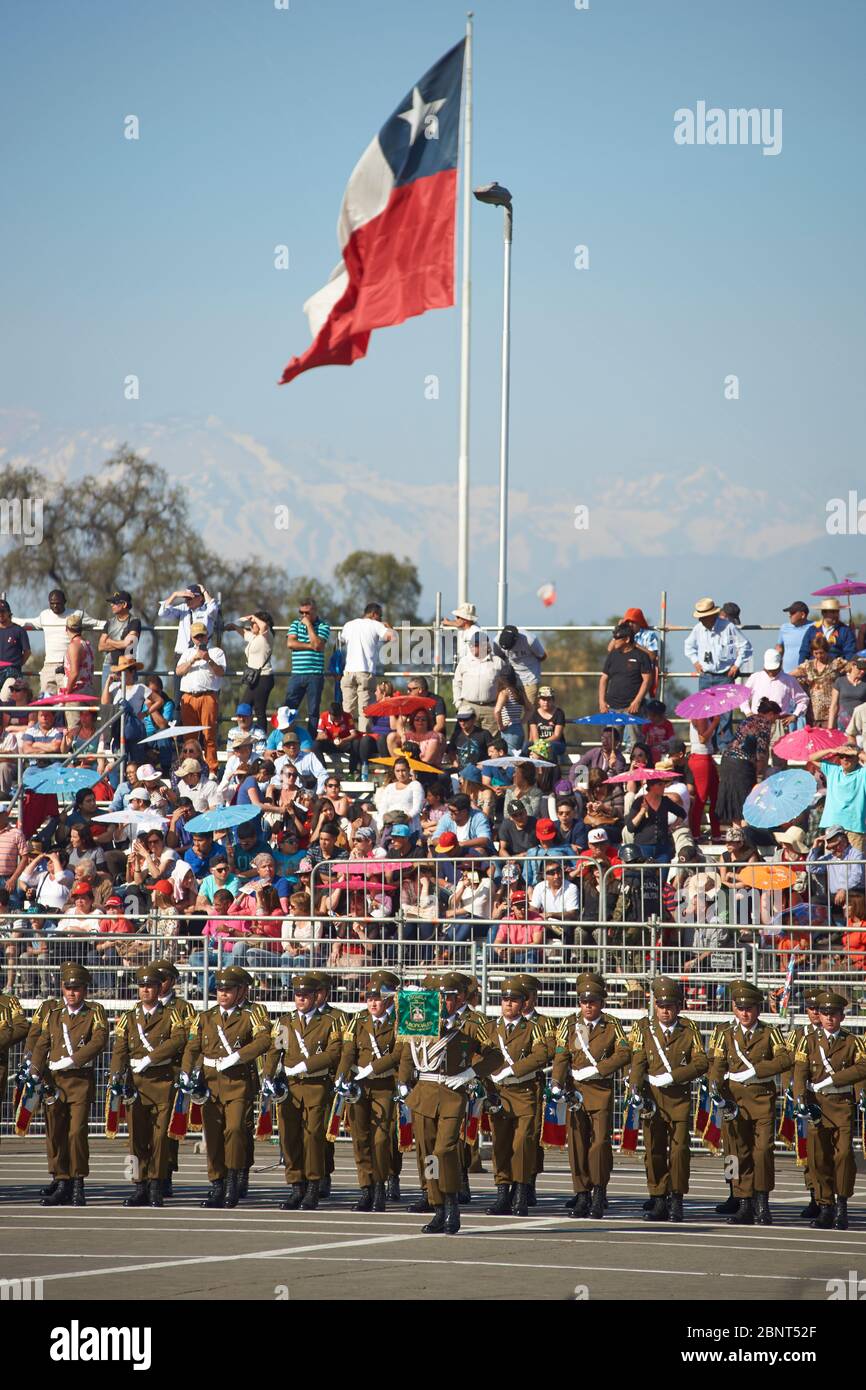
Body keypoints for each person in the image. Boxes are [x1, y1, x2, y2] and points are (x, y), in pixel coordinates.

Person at [397, 971, 499, 1234]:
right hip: (424, 1092)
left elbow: (494, 1056)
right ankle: (437, 1206)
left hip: (453, 1094)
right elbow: (409, 1052)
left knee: (445, 1151)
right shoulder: (421, 1018)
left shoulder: (471, 1023)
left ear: (461, 997)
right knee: (428, 1154)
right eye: (441, 997)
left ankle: (452, 1203)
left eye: (451, 997)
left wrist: (471, 1073)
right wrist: (403, 1081)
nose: (446, 1002)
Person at [180, 964, 271, 1208]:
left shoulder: (252, 1014)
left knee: (234, 1131)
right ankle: (216, 1184)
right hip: (210, 1084)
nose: (223, 994)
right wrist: (186, 1073)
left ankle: (233, 1180)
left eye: (228, 990)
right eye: (219, 989)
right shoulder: (206, 1017)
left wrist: (238, 1056)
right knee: (213, 1135)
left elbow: (264, 1040)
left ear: (240, 991)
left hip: (238, 1083)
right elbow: (192, 1047)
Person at [708, 980, 792, 1226]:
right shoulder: (725, 1033)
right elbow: (717, 1064)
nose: (745, 1013)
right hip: (734, 1101)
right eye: (740, 1008)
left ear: (758, 1010)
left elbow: (785, 1059)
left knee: (763, 1151)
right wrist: (715, 1088)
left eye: (750, 1008)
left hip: (761, 1100)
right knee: (735, 1153)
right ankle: (740, 1199)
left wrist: (756, 1070)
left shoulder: (769, 1032)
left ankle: (762, 1201)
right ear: (734, 1008)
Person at [627, 975, 708, 1222]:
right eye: (661, 1006)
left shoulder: (688, 1029)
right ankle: (658, 1198)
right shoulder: (643, 1028)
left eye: (669, 1007)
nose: (664, 1011)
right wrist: (634, 1087)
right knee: (653, 1151)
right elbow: (638, 1061)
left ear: (678, 1007)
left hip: (678, 1100)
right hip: (652, 1100)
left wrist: (674, 1076)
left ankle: (677, 1199)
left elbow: (702, 1062)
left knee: (680, 1151)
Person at [551, 972, 631, 1219]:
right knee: (577, 1143)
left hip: (600, 1090)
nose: (588, 1006)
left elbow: (624, 1053)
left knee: (599, 1144)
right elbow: (562, 1055)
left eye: (593, 1002)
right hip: (576, 1091)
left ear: (601, 1003)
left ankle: (598, 1191)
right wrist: (556, 1082)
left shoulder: (612, 1025)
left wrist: (598, 1068)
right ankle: (582, 1193)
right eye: (584, 1002)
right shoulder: (568, 1025)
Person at [29, 961, 109, 1207]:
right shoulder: (54, 1015)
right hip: (54, 1082)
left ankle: (77, 1183)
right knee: (55, 1133)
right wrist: (34, 1069)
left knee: (76, 1133)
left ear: (85, 990)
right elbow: (42, 1043)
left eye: (77, 988)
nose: (72, 993)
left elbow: (99, 1041)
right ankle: (61, 1180)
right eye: (68, 988)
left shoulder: (94, 1012)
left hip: (79, 1081)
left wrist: (73, 1060)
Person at [108, 963, 188, 1208]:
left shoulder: (171, 1013)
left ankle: (156, 1185)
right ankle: (139, 1185)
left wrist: (150, 1059)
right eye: (142, 986)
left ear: (158, 988)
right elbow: (120, 1049)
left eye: (150, 986)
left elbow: (179, 1039)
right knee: (136, 1138)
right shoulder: (130, 1017)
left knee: (160, 1137)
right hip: (136, 1084)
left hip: (162, 1081)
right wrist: (115, 1076)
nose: (145, 991)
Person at [263, 972, 344, 1211]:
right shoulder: (286, 1023)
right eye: (297, 995)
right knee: (290, 1137)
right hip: (290, 1088)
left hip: (316, 1086)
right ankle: (295, 1185)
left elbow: (333, 1053)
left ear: (314, 996)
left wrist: (305, 1065)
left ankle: (312, 1186)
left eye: (305, 996)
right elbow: (275, 1052)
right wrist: (268, 1076)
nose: (301, 1000)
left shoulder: (328, 1022)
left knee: (313, 1138)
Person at [793, 989, 866, 1229]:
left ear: (842, 1016)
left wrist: (836, 1080)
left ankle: (842, 1203)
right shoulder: (809, 1041)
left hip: (842, 1104)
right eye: (824, 1013)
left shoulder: (852, 1041)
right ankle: (825, 1206)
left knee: (844, 1155)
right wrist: (800, 1100)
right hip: (817, 1106)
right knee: (819, 1158)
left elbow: (862, 1067)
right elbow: (800, 1073)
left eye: (833, 1014)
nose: (829, 1018)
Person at [483, 976, 553, 1217]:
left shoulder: (533, 1029)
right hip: (499, 1093)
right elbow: (475, 1054)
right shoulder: (490, 1029)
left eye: (514, 1000)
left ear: (523, 1003)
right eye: (505, 1000)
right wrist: (488, 1075)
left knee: (523, 1144)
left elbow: (542, 1054)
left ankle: (521, 1192)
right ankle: (502, 1192)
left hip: (523, 1092)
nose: (509, 1004)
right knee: (500, 1144)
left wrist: (513, 1069)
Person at [339, 970, 401, 1211]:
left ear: (387, 1000)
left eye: (377, 998)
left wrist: (374, 1067)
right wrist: (341, 1079)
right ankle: (365, 1188)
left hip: (384, 1085)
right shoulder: (357, 1021)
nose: (372, 1003)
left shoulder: (397, 1023)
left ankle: (379, 1187)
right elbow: (348, 1053)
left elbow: (397, 1054)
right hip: (359, 1088)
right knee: (360, 1138)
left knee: (381, 1139)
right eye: (369, 998)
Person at [684, 597, 752, 750]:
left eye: (703, 617)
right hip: (706, 675)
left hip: (724, 675)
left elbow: (745, 646)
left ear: (711, 615)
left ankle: (723, 746)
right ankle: (710, 744)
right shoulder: (698, 629)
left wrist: (737, 664)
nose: (701, 620)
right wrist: (695, 661)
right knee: (706, 712)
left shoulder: (728, 627)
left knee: (724, 713)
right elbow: (688, 646)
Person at [14, 589, 103, 693]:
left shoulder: (76, 615)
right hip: (48, 666)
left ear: (65, 601)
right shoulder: (44, 616)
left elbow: (97, 624)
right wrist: (9, 619)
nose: (55, 606)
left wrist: (116, 625)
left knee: (65, 700)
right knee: (45, 702)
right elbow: (26, 623)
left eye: (58, 603)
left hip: (66, 666)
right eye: (52, 603)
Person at [715, 698, 780, 827]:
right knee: (746, 802)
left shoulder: (748, 719)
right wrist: (759, 772)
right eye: (776, 717)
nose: (774, 721)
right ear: (771, 714)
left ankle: (737, 833)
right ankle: (745, 837)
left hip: (727, 761)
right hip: (742, 765)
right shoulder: (764, 723)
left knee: (734, 803)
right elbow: (761, 751)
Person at [176, 622, 226, 774]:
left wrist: (208, 659)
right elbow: (178, 671)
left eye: (201, 636)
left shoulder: (217, 652)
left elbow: (220, 672)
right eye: (196, 637)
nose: (199, 639)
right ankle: (190, 769)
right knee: (189, 737)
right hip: (188, 697)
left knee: (209, 735)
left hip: (208, 696)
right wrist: (192, 660)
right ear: (192, 638)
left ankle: (212, 770)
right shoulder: (187, 653)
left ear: (207, 636)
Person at [339, 602, 395, 734]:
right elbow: (392, 637)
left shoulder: (349, 624)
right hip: (365, 672)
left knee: (347, 710)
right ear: (374, 614)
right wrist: (388, 627)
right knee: (365, 711)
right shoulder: (376, 625)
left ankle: (346, 737)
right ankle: (363, 740)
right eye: (380, 616)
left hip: (348, 672)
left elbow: (341, 641)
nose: (381, 619)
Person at [284, 598, 331, 735]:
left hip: (315, 675)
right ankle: (287, 738)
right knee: (288, 708)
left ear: (314, 611)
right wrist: (310, 646)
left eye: (307, 613)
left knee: (313, 711)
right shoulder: (295, 624)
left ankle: (310, 741)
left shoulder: (323, 626)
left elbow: (318, 645)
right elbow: (290, 643)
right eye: (301, 612)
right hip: (297, 674)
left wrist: (309, 627)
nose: (303, 616)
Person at [223, 612, 275, 729]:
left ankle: (261, 738)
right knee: (244, 707)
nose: (251, 625)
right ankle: (245, 734)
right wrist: (234, 627)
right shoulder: (255, 637)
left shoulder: (267, 636)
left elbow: (264, 627)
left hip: (264, 677)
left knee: (259, 711)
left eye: (254, 623)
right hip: (255, 678)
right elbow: (245, 633)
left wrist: (254, 617)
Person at [452, 632, 507, 736]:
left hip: (490, 707)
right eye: (471, 645)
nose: (472, 647)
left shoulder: (498, 662)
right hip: (468, 706)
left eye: (475, 645)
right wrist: (458, 704)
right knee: (468, 738)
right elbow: (457, 683)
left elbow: (505, 686)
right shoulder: (464, 662)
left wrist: (499, 706)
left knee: (491, 740)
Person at [599, 623, 653, 721]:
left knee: (633, 736)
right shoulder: (613, 655)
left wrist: (637, 701)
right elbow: (604, 679)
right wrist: (602, 701)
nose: (614, 640)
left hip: (632, 708)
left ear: (627, 639)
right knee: (612, 736)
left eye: (617, 638)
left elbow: (647, 681)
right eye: (613, 637)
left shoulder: (641, 656)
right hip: (612, 707)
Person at [816, 747, 866, 851]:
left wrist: (858, 753)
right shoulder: (833, 770)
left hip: (854, 827)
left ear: (857, 759)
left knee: (855, 864)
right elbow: (811, 758)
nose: (845, 759)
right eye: (842, 756)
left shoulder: (862, 772)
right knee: (832, 864)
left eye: (849, 756)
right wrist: (831, 750)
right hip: (832, 825)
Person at [792, 633, 846, 728]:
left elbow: (851, 667)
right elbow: (790, 675)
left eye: (821, 653)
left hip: (831, 713)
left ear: (827, 651)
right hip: (813, 713)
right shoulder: (807, 666)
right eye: (816, 653)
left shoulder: (836, 663)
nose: (819, 656)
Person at [740, 648, 807, 725]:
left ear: (780, 665)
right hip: (757, 722)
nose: (771, 673)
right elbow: (742, 697)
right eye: (769, 670)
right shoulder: (755, 677)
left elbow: (803, 699)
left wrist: (795, 715)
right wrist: (748, 713)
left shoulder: (789, 680)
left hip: (780, 722)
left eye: (773, 670)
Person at [158, 583, 219, 657]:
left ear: (200, 598)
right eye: (185, 598)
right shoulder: (183, 608)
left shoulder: (207, 610)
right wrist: (175, 595)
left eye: (189, 598)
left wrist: (204, 591)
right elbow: (162, 613)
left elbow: (213, 609)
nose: (186, 601)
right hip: (182, 653)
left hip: (202, 652)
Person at [496, 626, 546, 710]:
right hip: (510, 680)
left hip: (530, 678)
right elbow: (499, 658)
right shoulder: (497, 641)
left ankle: (526, 723)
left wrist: (529, 665)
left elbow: (542, 656)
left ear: (516, 639)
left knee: (529, 709)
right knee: (510, 710)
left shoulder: (530, 640)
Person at [797, 598, 857, 665]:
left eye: (837, 612)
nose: (836, 615)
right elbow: (804, 652)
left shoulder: (845, 631)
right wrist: (802, 668)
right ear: (823, 613)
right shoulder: (812, 630)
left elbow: (850, 653)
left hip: (837, 671)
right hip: (814, 671)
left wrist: (845, 667)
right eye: (832, 612)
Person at [828, 655, 866, 732]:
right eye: (860, 668)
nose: (863, 671)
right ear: (852, 665)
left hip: (861, 723)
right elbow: (834, 706)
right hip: (843, 724)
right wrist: (830, 727)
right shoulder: (840, 681)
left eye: (865, 669)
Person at [529, 686, 566, 761]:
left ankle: (553, 771)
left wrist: (542, 743)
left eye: (549, 699)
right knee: (526, 746)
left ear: (553, 700)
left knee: (550, 747)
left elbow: (556, 735)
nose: (546, 702)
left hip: (556, 744)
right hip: (538, 744)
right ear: (539, 701)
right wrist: (538, 746)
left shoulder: (559, 713)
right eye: (543, 699)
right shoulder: (534, 714)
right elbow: (535, 737)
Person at [0, 599, 31, 686]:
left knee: (6, 696)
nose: (0, 614)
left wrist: (17, 664)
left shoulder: (19, 630)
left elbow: (27, 652)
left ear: (9, 612)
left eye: (3, 611)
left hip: (12, 671)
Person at [776, 600, 811, 674]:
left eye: (792, 613)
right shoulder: (784, 627)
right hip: (787, 674)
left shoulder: (814, 627)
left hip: (807, 674)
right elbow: (779, 648)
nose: (789, 615)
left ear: (803, 614)